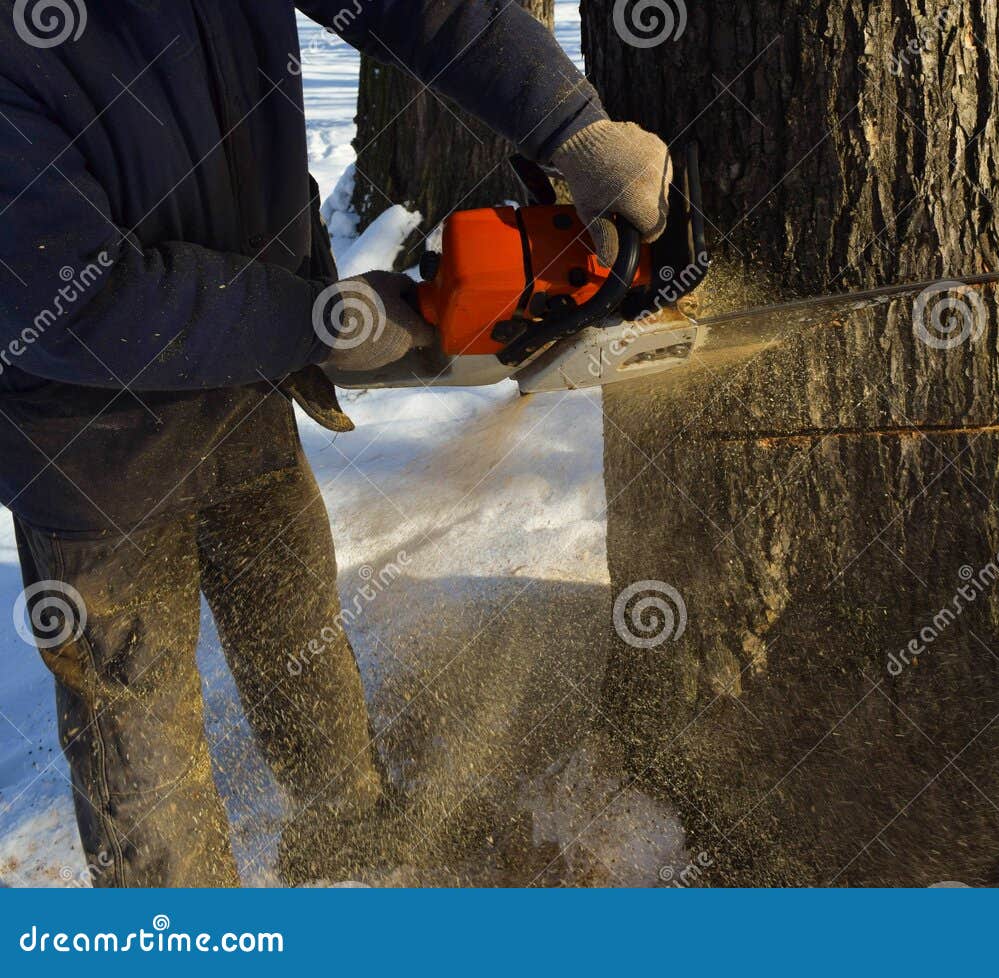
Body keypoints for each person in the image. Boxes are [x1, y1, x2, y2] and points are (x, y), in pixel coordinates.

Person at [0, 0, 671, 886]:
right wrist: (310, 324)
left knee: (295, 627)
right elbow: (76, 303)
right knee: (140, 720)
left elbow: (431, 10)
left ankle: (353, 842)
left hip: (246, 385)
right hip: (92, 446)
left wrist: (572, 126)